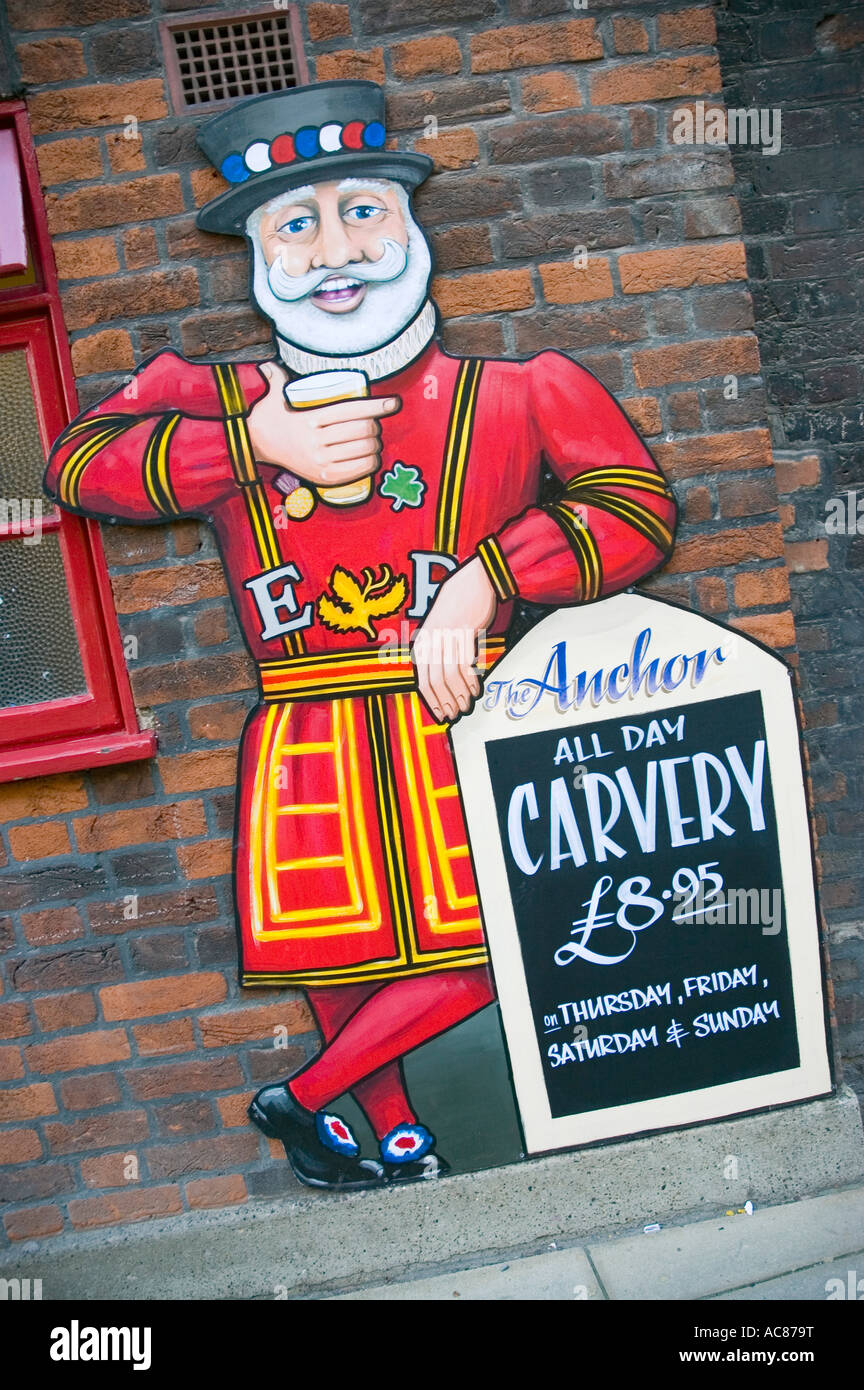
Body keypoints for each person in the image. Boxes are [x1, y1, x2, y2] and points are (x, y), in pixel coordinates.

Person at [45, 79, 677, 1190]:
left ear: (410, 223)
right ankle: (383, 1134)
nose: (334, 251)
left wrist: (489, 578)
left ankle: (309, 1095)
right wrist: (254, 441)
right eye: (296, 224)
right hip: (309, 726)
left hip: (470, 712)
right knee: (337, 955)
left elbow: (635, 505)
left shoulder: (525, 390)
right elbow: (74, 459)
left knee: (521, 932)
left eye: (361, 212)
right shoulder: (213, 391)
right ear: (257, 252)